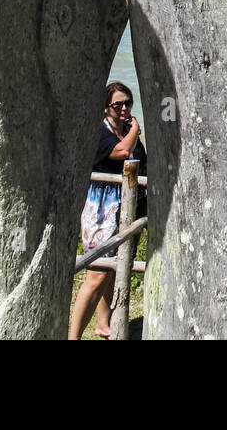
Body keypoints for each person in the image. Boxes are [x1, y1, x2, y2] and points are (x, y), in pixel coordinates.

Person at [68, 81, 147, 340]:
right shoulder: (101, 133)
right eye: (117, 104)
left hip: (123, 206)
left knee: (111, 270)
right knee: (96, 274)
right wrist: (135, 127)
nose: (124, 108)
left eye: (128, 103)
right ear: (105, 108)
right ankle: (73, 336)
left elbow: (141, 163)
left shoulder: (125, 132)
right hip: (100, 209)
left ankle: (103, 323)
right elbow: (122, 152)